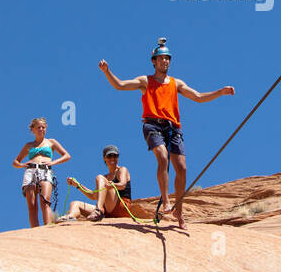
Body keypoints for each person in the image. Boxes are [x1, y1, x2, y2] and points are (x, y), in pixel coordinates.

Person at [98, 38, 234, 230]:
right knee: (162, 157)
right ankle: (166, 200)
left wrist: (220, 92)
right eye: (161, 59)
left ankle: (179, 209)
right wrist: (107, 72)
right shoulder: (146, 81)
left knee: (182, 168)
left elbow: (197, 97)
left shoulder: (176, 83)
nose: (165, 62)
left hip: (173, 128)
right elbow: (120, 85)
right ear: (153, 61)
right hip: (153, 125)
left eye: (167, 59)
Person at [11, 117, 70, 227]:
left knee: (45, 201)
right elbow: (15, 162)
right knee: (32, 204)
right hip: (31, 171)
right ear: (33, 129)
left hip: (45, 170)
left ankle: (47, 228)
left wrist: (54, 162)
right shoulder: (29, 145)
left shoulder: (51, 142)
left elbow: (66, 155)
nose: (41, 129)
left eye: (43, 127)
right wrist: (23, 165)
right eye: (38, 127)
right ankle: (35, 230)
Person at [58, 145, 132, 222]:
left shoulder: (122, 170)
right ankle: (70, 217)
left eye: (115, 156)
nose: (112, 158)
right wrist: (78, 185)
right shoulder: (104, 178)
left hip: (121, 208)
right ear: (104, 158)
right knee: (75, 203)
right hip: (107, 211)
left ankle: (98, 210)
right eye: (109, 156)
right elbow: (94, 196)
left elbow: (122, 185)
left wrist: (113, 185)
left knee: (99, 177)